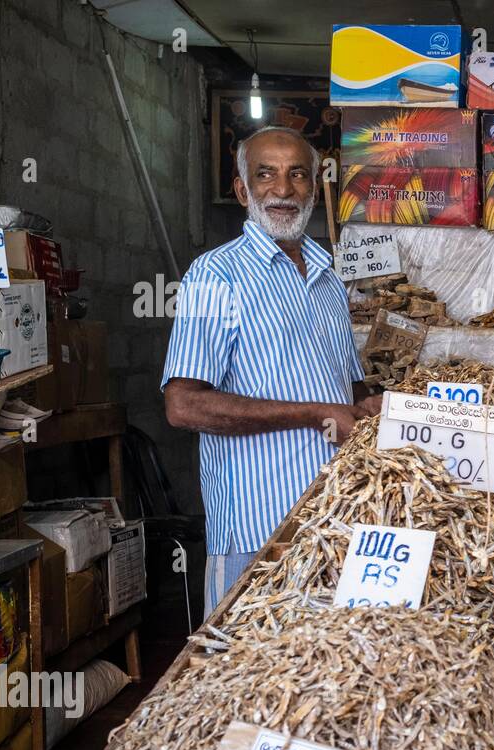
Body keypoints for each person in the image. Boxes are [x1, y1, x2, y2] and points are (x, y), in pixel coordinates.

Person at [161, 126, 381, 615]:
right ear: (243, 191)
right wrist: (314, 413)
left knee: (318, 682)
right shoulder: (216, 276)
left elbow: (348, 390)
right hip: (256, 533)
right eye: (266, 175)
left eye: (297, 175)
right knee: (239, 678)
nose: (283, 190)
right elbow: (183, 404)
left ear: (313, 184)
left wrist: (369, 405)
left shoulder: (327, 277)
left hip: (333, 523)